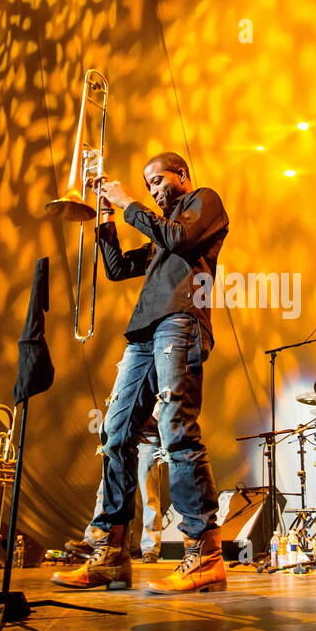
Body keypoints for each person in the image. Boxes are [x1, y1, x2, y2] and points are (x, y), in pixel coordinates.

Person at [50, 151, 229, 593]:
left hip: (182, 320)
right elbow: (116, 269)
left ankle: (203, 553)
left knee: (176, 427)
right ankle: (110, 554)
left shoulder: (203, 203)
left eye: (157, 180)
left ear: (182, 176)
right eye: (147, 184)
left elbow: (176, 239)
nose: (153, 189)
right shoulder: (160, 235)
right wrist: (107, 220)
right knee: (115, 434)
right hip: (144, 333)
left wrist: (129, 201)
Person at [66, 410, 168, 563]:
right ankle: (93, 539)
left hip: (147, 436)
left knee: (149, 495)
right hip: (123, 437)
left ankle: (150, 549)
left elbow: (163, 398)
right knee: (105, 490)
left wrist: (152, 418)